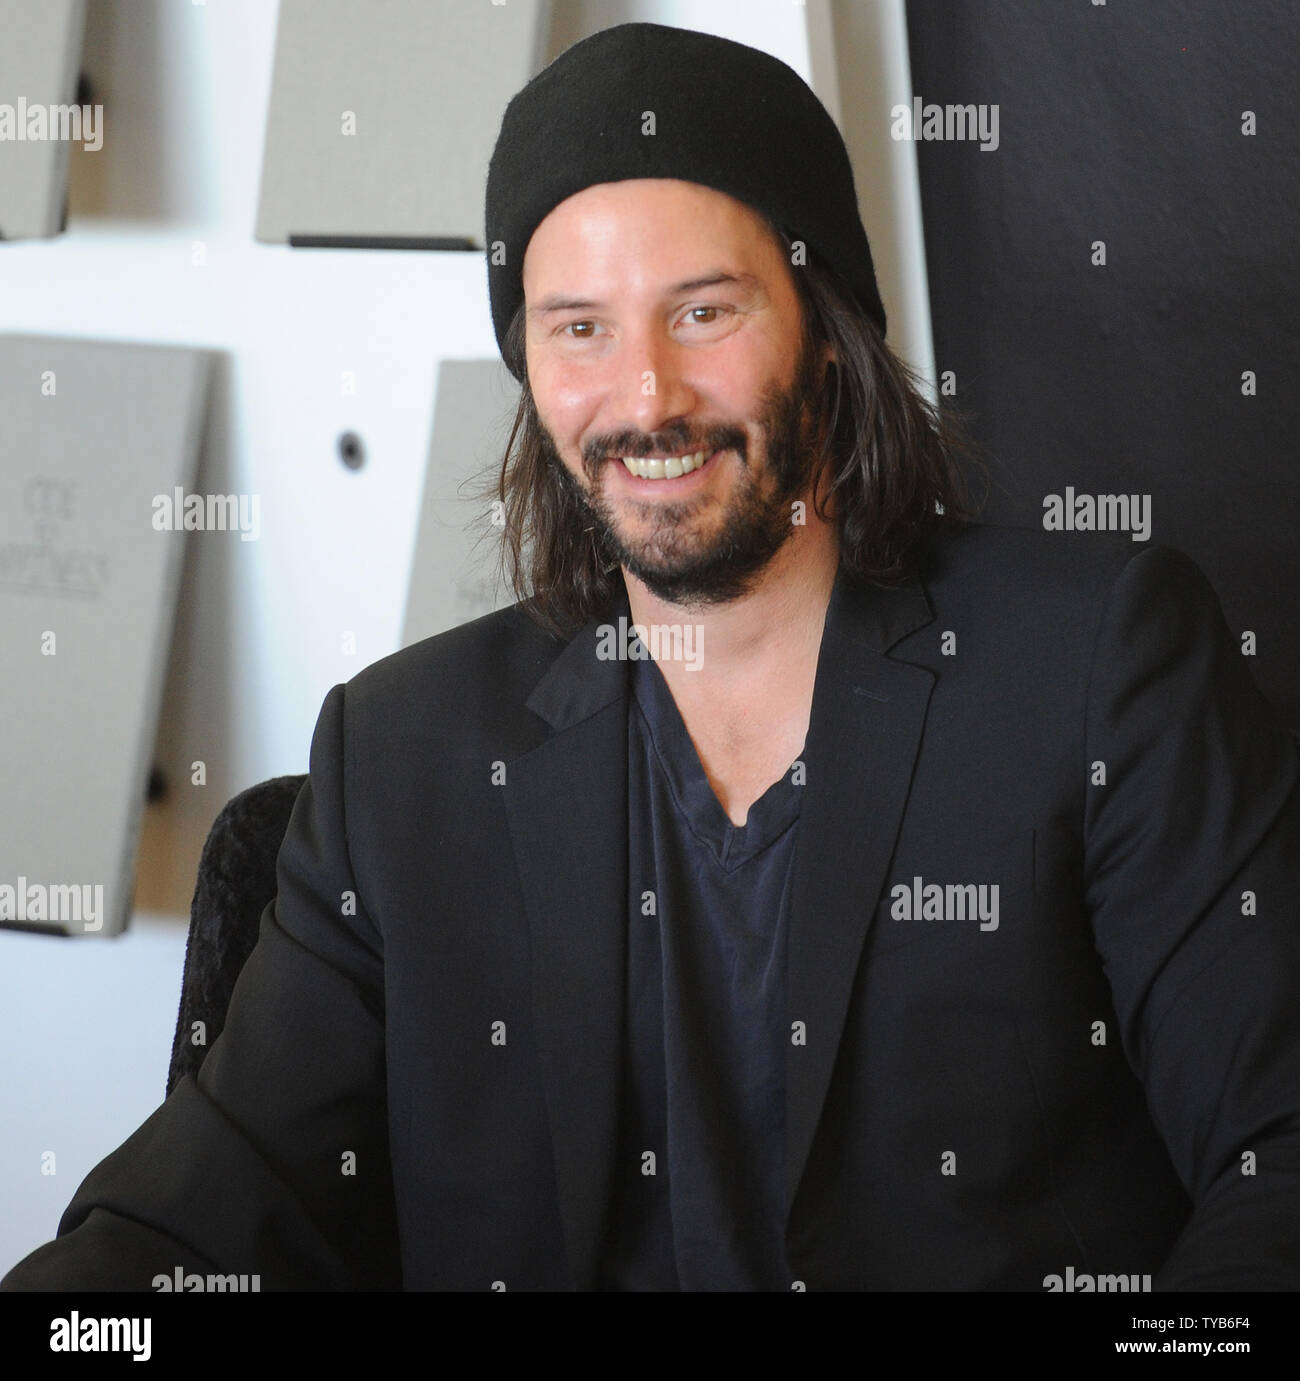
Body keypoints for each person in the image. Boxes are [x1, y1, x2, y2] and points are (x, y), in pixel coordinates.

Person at [5, 22, 1298, 1293]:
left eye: (704, 309)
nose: (646, 395)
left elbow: (1279, 1157)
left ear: (825, 328)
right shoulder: (399, 761)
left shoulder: (1100, 668)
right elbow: (190, 1224)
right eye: (579, 329)